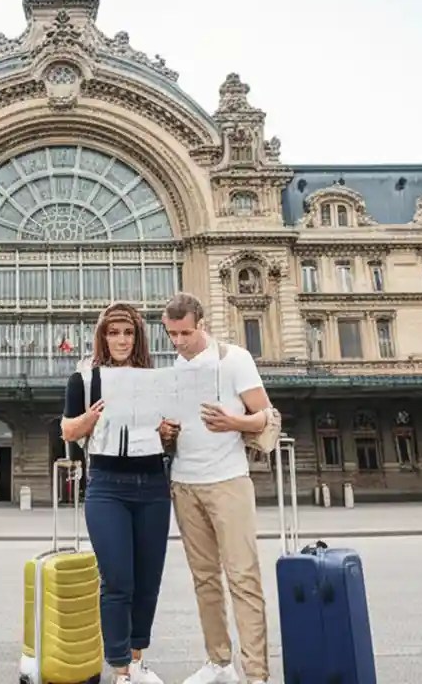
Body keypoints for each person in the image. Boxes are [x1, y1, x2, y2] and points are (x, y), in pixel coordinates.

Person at [157, 292, 275, 684]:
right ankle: (219, 662)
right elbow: (170, 434)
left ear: (201, 324)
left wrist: (234, 422)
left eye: (185, 333)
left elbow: (267, 416)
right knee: (204, 579)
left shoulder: (234, 360)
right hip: (184, 484)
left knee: (243, 577)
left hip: (228, 481)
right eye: (171, 334)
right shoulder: (171, 370)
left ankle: (256, 674)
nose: (178, 341)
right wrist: (166, 433)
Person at [61, 302, 171, 684]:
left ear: (138, 336)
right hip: (107, 485)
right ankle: (120, 667)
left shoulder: (156, 378)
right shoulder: (84, 377)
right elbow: (68, 431)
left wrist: (169, 432)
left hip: (154, 485)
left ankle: (138, 661)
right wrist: (88, 418)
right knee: (118, 579)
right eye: (113, 332)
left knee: (148, 581)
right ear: (103, 337)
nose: (121, 340)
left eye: (128, 333)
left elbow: (170, 431)